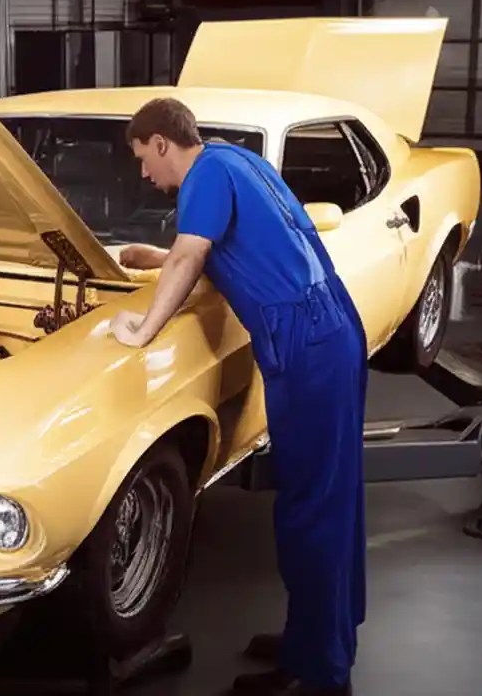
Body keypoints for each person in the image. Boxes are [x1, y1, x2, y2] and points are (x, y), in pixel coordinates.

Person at [109, 97, 367, 696]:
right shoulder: (234, 159)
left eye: (145, 159)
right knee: (331, 496)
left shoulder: (202, 177)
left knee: (309, 508)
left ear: (164, 144)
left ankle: (319, 674)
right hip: (333, 327)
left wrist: (142, 330)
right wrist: (158, 257)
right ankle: (322, 635)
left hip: (306, 344)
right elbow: (228, 246)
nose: (146, 175)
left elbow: (196, 252)